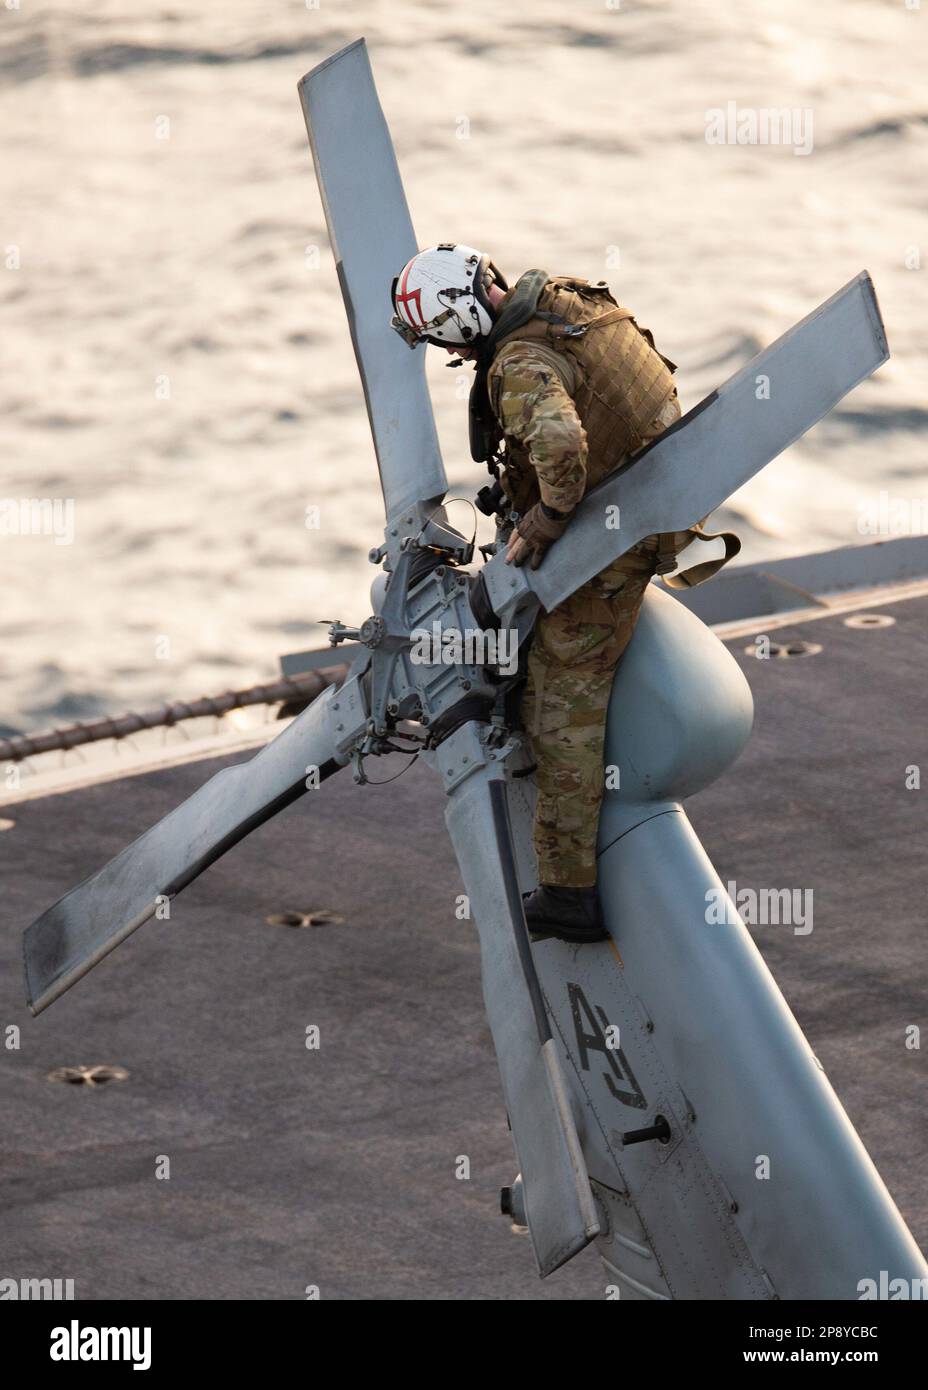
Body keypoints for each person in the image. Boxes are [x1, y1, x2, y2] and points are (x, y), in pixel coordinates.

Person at [390, 244, 736, 943]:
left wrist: (547, 522)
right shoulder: (562, 302)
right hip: (656, 488)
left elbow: (562, 450)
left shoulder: (518, 365)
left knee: (559, 698)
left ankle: (569, 892)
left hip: (623, 531)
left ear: (455, 323)